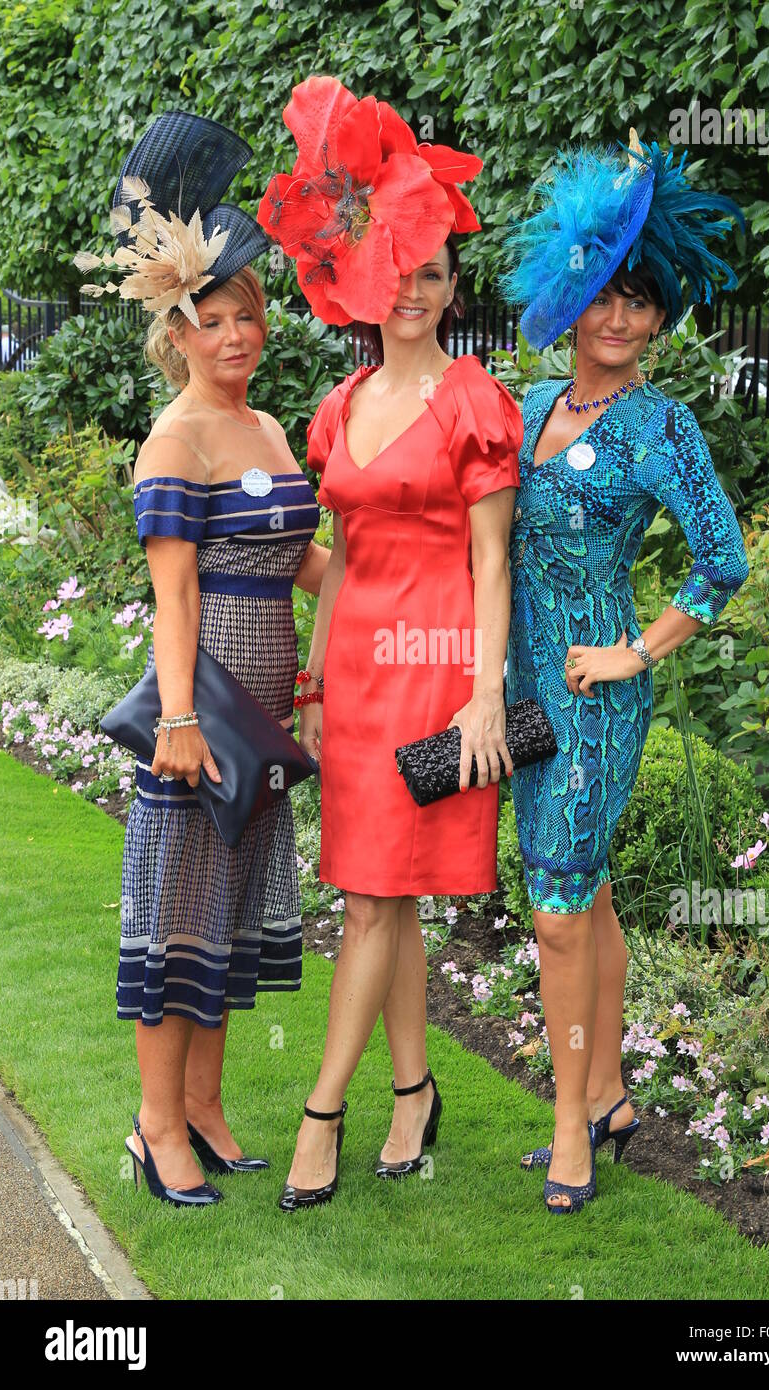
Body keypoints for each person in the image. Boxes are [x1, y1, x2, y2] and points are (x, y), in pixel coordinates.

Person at [258, 75, 523, 1209]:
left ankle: (324, 1112)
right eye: (395, 271)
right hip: (358, 674)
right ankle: (414, 1092)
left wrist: (481, 696)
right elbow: (343, 555)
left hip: (434, 678)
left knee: (370, 897)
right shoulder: (337, 404)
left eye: (430, 272)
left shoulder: (474, 402)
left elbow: (491, 563)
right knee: (384, 890)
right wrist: (313, 680)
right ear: (365, 281)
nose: (411, 289)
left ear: (450, 285)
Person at [76, 111, 328, 1206]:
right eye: (212, 322)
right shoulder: (174, 441)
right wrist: (176, 719)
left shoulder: (271, 428)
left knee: (225, 920)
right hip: (206, 707)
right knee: (175, 916)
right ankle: (154, 1127)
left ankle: (210, 1111)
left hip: (267, 707)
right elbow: (170, 597)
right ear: (175, 333)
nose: (235, 337)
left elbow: (305, 562)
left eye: (246, 318)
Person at [499, 130, 749, 1213]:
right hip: (517, 685)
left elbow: (720, 561)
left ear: (659, 316)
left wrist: (636, 648)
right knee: (583, 893)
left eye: (640, 302)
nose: (617, 318)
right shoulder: (519, 411)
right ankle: (601, 1092)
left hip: (596, 692)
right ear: (573, 287)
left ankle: (567, 1126)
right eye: (604, 293)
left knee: (554, 906)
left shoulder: (659, 423)